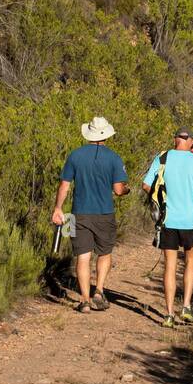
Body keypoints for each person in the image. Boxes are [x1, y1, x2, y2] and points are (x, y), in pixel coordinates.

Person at [52, 116, 129, 313]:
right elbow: (119, 190)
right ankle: (99, 290)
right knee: (104, 252)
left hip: (78, 213)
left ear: (89, 134)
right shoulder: (114, 157)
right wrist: (127, 190)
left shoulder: (75, 155)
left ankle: (84, 300)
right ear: (106, 135)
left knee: (82, 256)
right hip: (105, 212)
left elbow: (64, 186)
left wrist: (58, 208)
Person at [143, 129, 193, 327]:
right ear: (190, 142)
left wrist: (160, 196)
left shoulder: (162, 158)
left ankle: (168, 314)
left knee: (170, 266)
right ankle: (185, 307)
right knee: (190, 262)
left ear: (174, 140)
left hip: (167, 221)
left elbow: (146, 185)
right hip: (190, 222)